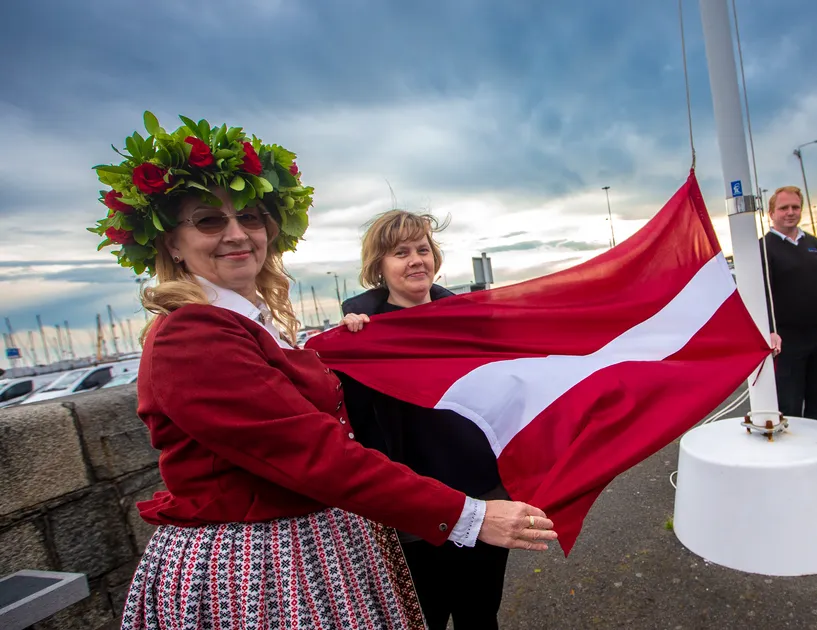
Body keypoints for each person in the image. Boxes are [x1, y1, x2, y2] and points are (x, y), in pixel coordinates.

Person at [89, 113, 557, 630]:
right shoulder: (190, 335)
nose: (237, 234)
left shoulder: (257, 327)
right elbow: (316, 451)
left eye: (249, 218)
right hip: (257, 567)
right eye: (208, 221)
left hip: (319, 544)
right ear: (171, 243)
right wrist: (468, 515)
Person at [337, 210, 509, 630]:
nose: (416, 259)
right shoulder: (362, 335)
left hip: (483, 497)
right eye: (400, 252)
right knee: (420, 619)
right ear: (379, 266)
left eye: (422, 249)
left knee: (481, 617)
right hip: (411, 509)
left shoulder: (469, 323)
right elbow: (350, 422)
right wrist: (350, 346)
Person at [759, 186, 817, 423]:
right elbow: (758, 295)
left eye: (795, 207)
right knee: (789, 408)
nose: (790, 212)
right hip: (786, 345)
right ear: (771, 213)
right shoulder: (762, 248)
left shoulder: (815, 245)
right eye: (783, 208)